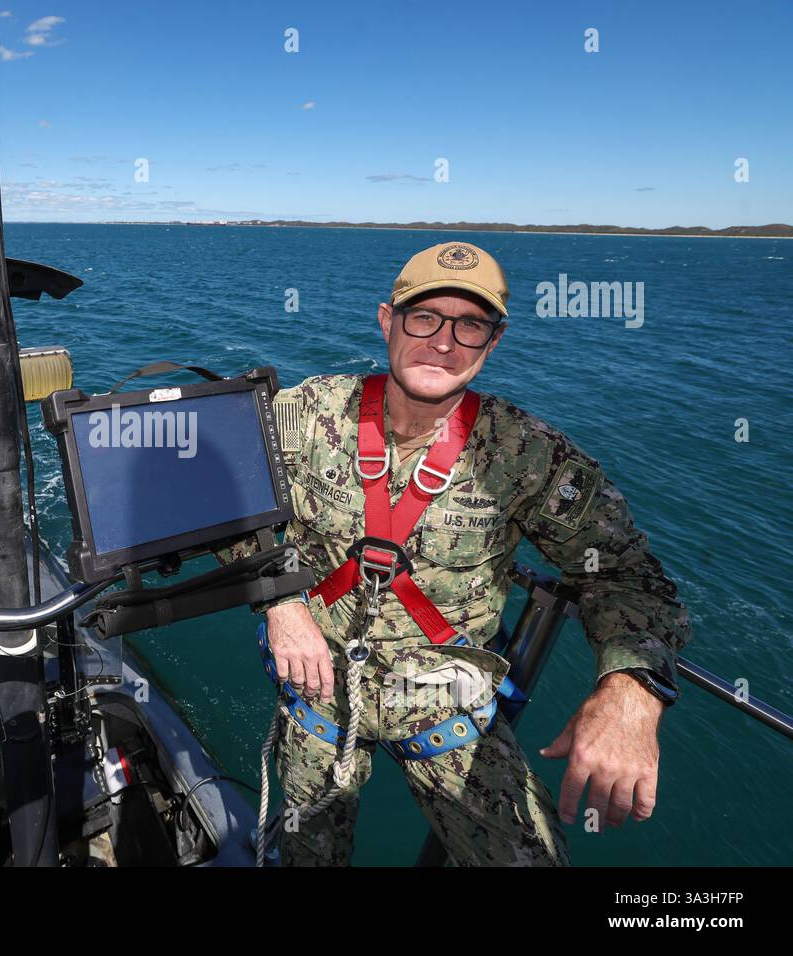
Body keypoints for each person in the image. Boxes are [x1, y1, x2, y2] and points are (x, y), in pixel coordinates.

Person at [228, 242, 691, 866]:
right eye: (425, 318)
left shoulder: (529, 456)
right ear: (388, 320)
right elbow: (230, 501)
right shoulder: (308, 412)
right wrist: (282, 601)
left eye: (469, 325)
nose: (443, 343)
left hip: (446, 712)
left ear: (491, 343)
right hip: (315, 698)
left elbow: (629, 575)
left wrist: (630, 690)